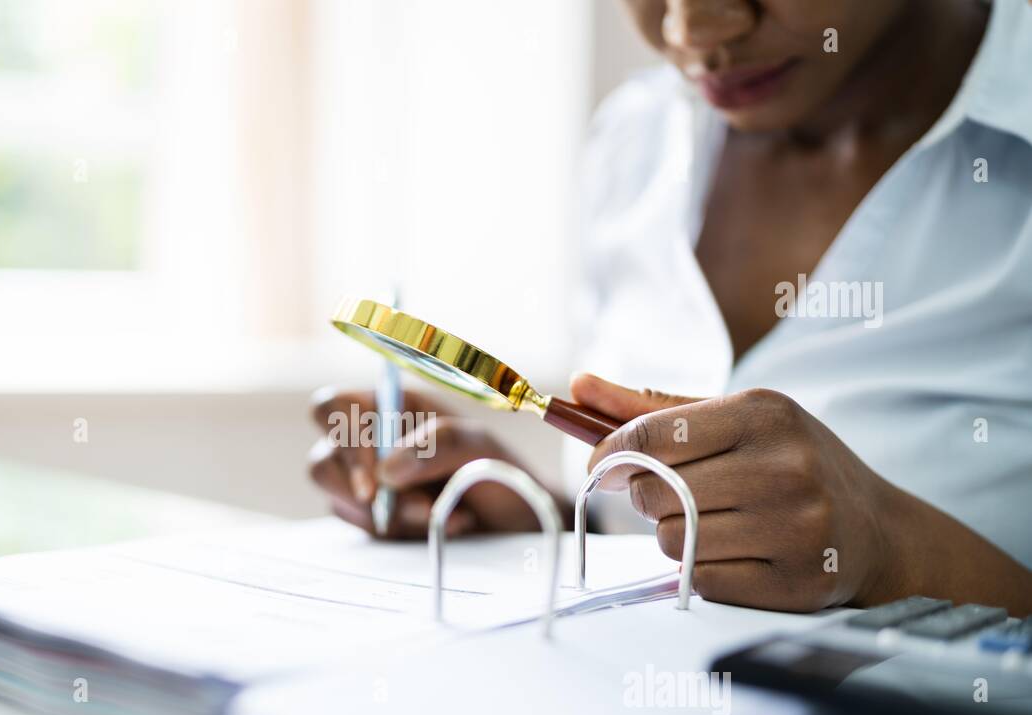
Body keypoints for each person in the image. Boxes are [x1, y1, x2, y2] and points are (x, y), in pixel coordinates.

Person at [309, 0, 1032, 615]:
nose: (692, 31)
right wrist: (541, 519)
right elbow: (656, 552)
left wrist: (893, 554)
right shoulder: (635, 139)